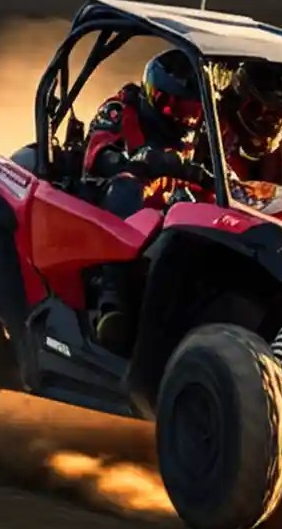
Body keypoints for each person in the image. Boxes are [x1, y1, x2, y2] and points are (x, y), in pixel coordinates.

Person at [81, 48, 212, 346]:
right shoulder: (119, 109)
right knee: (126, 186)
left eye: (191, 111)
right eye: (173, 107)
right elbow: (101, 155)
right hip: (102, 206)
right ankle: (111, 303)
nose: (183, 118)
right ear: (152, 95)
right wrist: (142, 160)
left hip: (163, 214)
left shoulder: (203, 132)